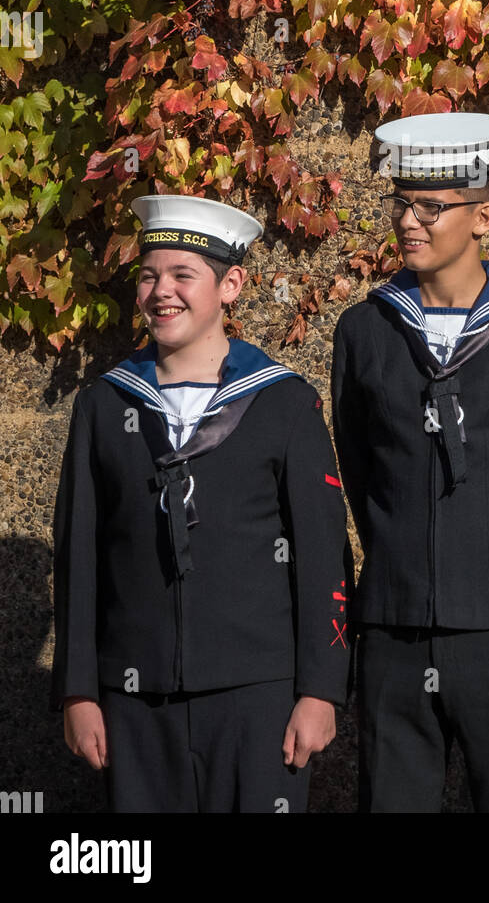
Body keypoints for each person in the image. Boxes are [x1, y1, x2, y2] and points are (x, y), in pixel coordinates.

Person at [52, 194, 352, 813]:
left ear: (231, 284)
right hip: (135, 700)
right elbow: (79, 555)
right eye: (148, 275)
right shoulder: (105, 406)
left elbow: (325, 558)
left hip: (259, 700)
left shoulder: (284, 403)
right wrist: (78, 692)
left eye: (183, 275)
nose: (162, 291)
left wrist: (321, 691)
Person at [331, 112, 489, 813]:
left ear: (484, 217)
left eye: (430, 207)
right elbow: (361, 470)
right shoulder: (365, 330)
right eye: (401, 203)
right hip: (395, 628)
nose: (409, 221)